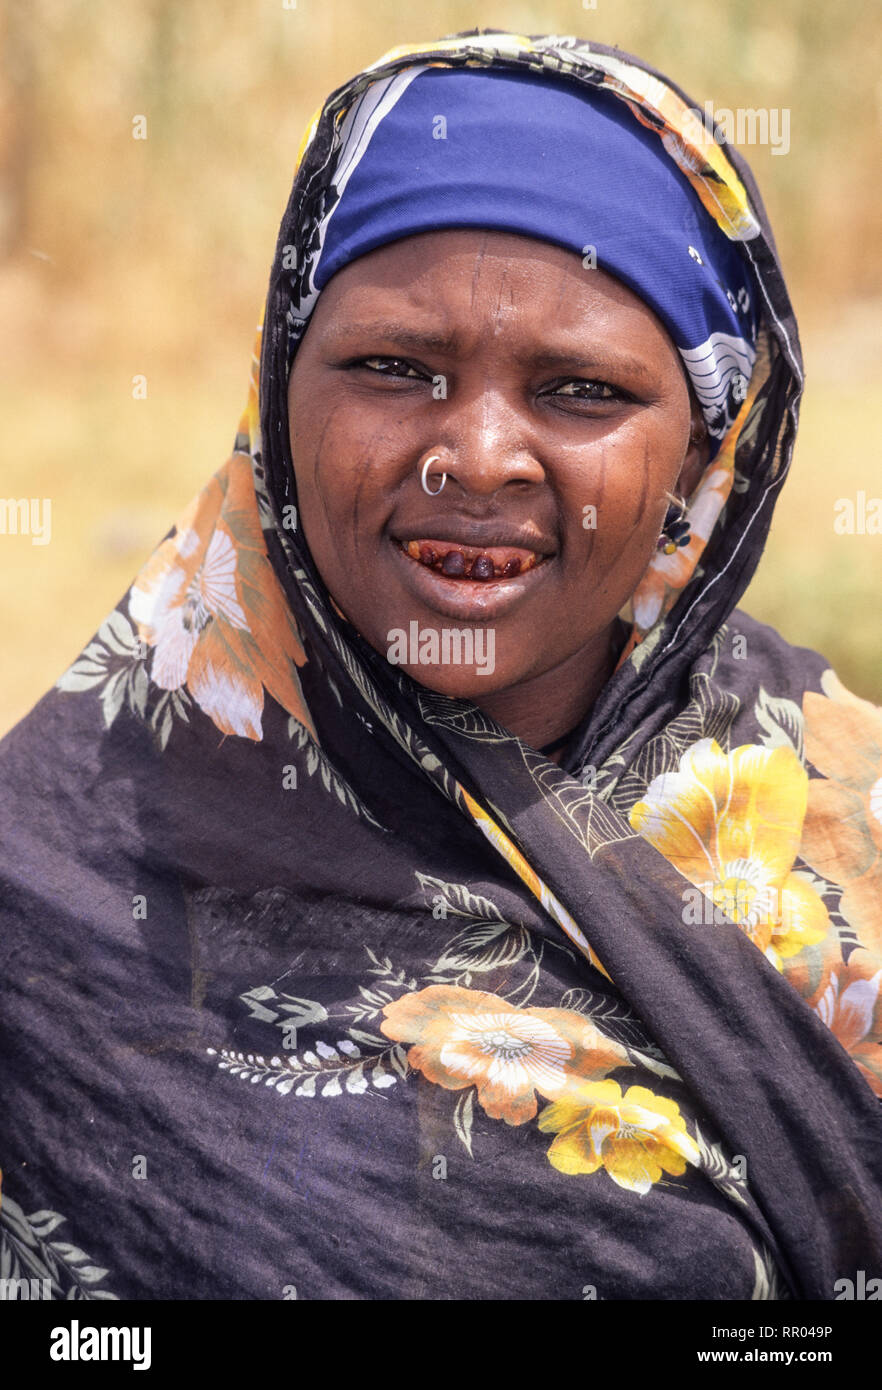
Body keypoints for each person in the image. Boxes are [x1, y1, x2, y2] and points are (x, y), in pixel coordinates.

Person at [0, 28, 880, 1302]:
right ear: (274, 397)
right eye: (393, 369)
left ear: (705, 455)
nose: (474, 457)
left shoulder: (843, 823)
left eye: (579, 390)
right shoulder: (51, 880)